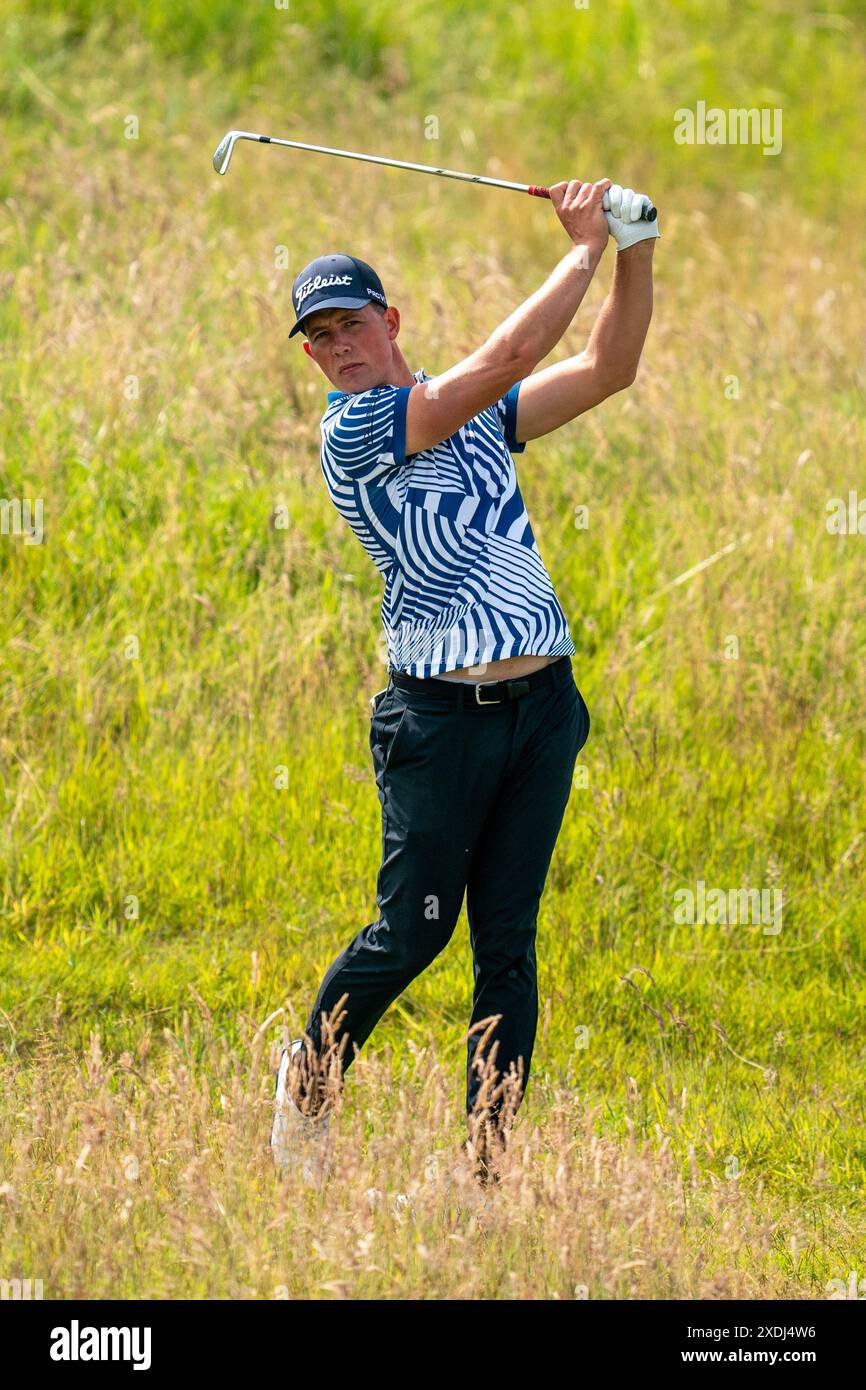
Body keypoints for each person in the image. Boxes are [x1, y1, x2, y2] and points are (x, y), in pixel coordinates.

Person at [271, 177, 658, 1185]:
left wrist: (633, 246)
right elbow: (510, 356)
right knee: (414, 931)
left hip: (540, 711)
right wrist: (576, 249)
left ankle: (483, 1169)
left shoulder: (473, 411)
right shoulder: (354, 431)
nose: (337, 348)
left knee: (507, 948)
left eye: (350, 324)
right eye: (317, 338)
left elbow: (608, 368)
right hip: (437, 721)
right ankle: (307, 1089)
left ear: (388, 320)